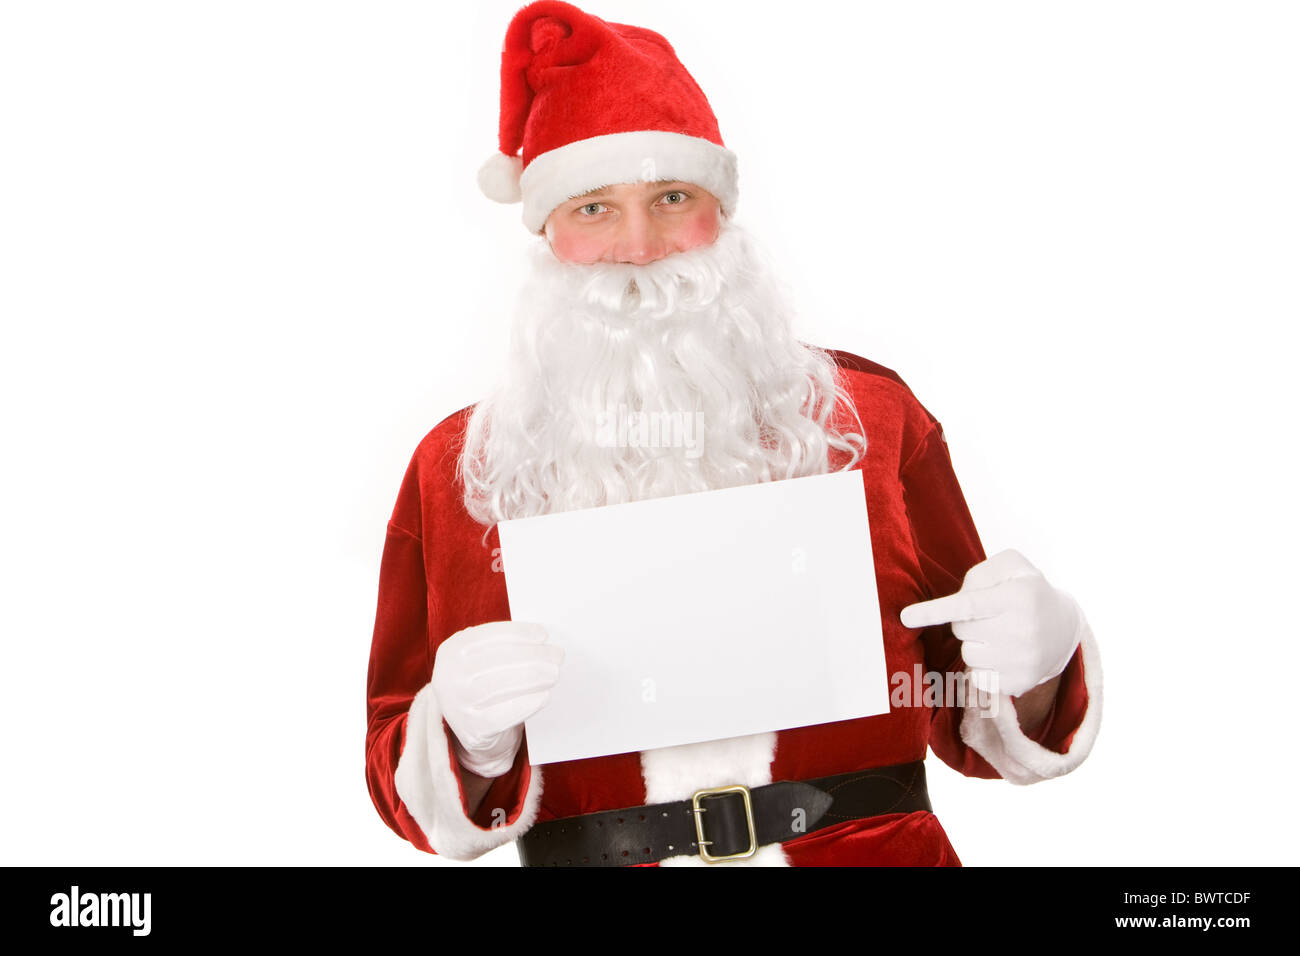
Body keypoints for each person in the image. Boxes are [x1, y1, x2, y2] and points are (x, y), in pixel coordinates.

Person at [364, 0, 1101, 866]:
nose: (640, 246)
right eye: (594, 207)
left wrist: (1041, 664)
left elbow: (961, 708)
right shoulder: (463, 469)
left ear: (722, 214)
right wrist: (465, 742)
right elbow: (395, 768)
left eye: (672, 198)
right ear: (547, 234)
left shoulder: (868, 417)